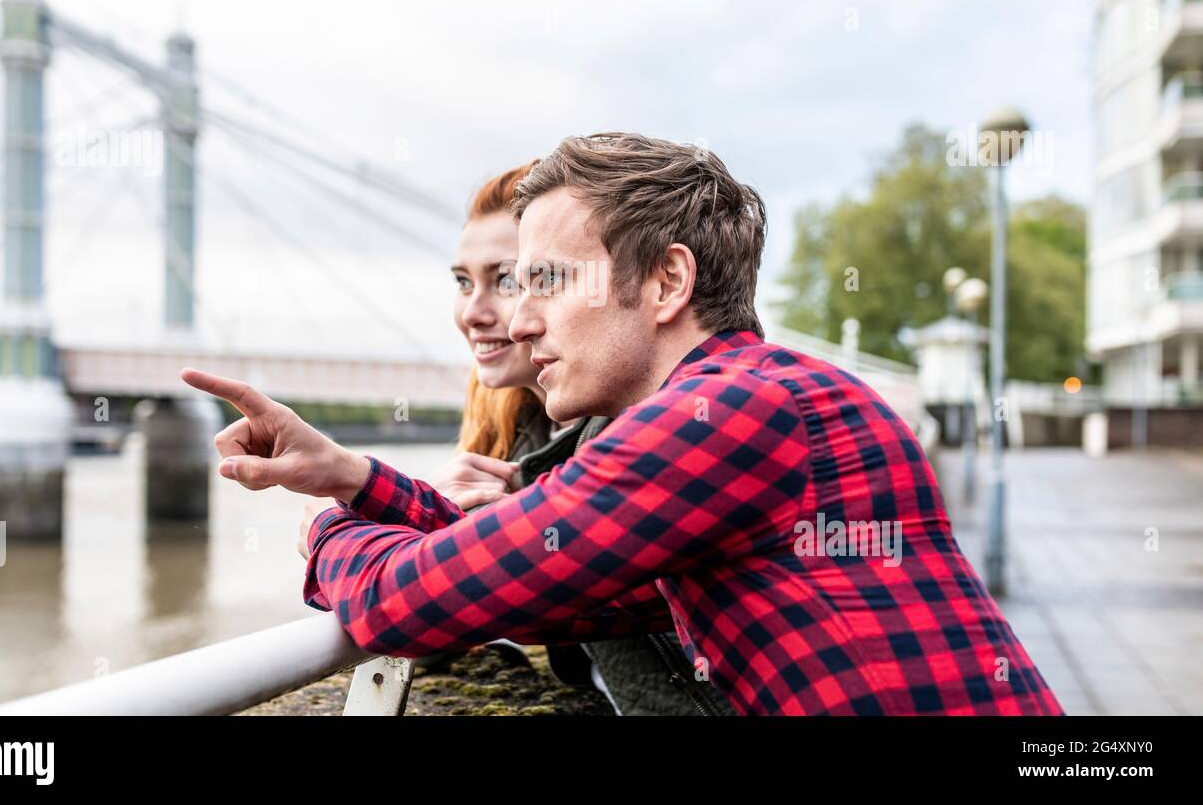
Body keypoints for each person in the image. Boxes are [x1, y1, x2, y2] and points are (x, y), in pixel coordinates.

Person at [183, 132, 1064, 715]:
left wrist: (333, 532)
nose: (520, 323)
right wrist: (354, 478)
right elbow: (549, 580)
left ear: (667, 284)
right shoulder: (769, 399)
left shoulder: (721, 416)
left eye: (548, 282)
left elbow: (405, 601)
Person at [392, 160, 734, 714]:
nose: (474, 314)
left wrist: (360, 524)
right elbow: (429, 632)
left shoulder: (655, 427)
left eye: (513, 280)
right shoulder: (519, 430)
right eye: (462, 282)